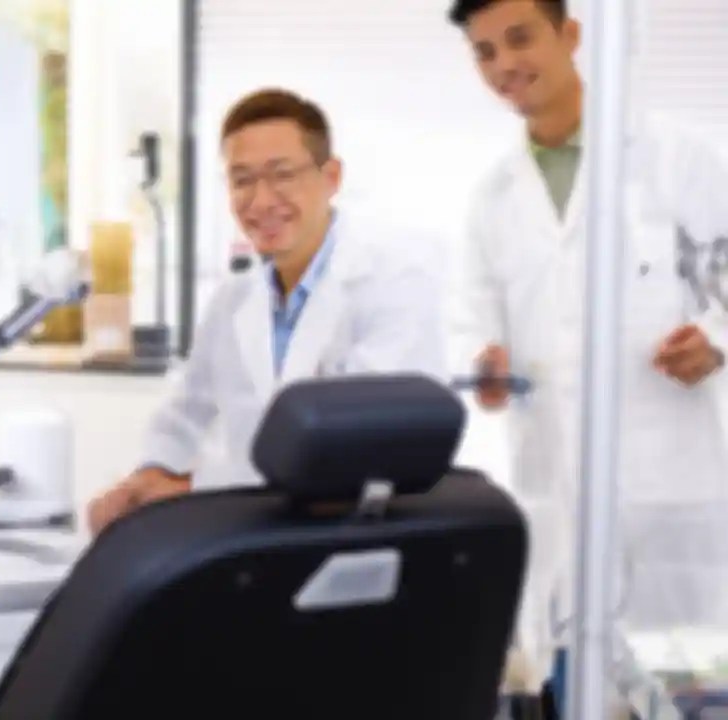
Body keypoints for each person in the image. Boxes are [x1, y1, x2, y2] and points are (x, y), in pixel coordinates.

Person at [448, 0, 728, 696]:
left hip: (665, 485)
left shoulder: (676, 157)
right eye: (485, 52)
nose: (504, 64)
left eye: (520, 39)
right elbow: (473, 320)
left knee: (682, 689)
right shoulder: (491, 196)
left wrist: (718, 341)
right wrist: (485, 364)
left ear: (571, 35)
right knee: (569, 686)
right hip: (554, 489)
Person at [87, 89, 448, 535]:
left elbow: (347, 451)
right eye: (242, 180)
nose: (260, 202)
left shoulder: (395, 285)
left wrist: (189, 488)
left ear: (331, 177)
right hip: (253, 537)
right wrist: (145, 479)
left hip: (361, 536)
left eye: (282, 175)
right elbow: (184, 414)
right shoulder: (231, 302)